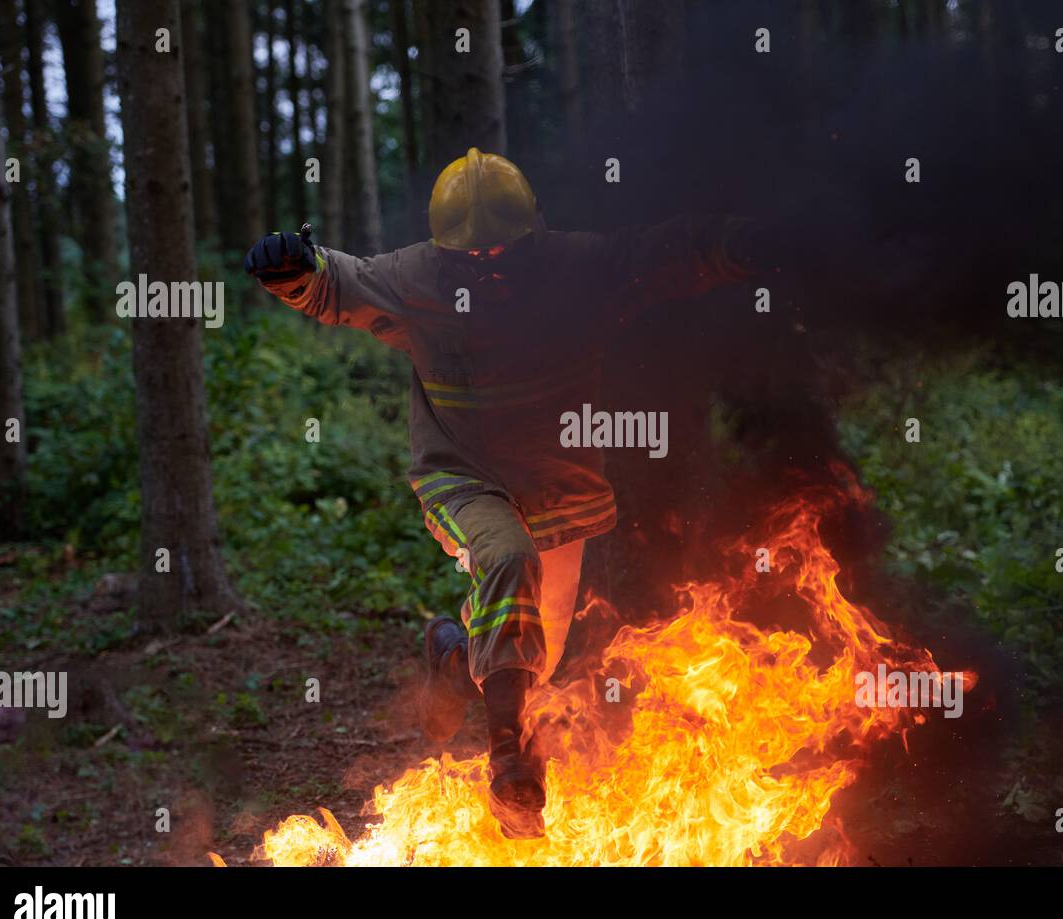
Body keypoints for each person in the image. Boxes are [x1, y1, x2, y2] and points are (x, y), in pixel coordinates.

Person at [246, 147, 773, 838]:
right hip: (462, 477)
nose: (488, 266)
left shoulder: (576, 268)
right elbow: (340, 282)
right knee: (505, 558)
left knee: (537, 662)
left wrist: (736, 244)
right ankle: (509, 770)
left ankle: (452, 651)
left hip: (563, 488)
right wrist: (293, 269)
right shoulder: (417, 277)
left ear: (536, 234)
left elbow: (659, 255)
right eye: (472, 258)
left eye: (503, 253)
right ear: (444, 252)